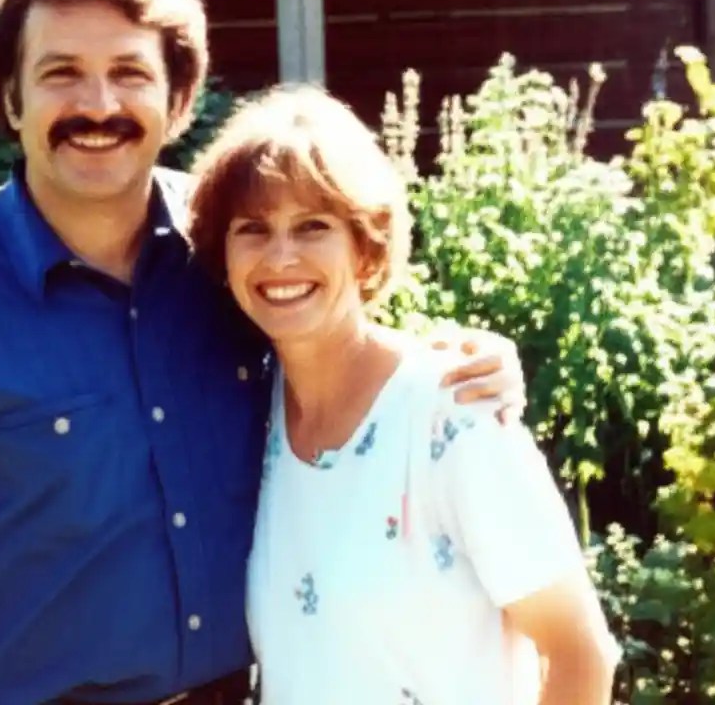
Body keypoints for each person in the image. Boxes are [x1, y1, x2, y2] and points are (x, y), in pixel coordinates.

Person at [0, 0, 528, 703]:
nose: (98, 105)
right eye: (60, 73)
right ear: (11, 102)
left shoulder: (233, 247)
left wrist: (455, 363)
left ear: (180, 101)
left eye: (131, 73)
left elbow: (340, 343)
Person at [186, 85, 621, 705]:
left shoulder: (451, 411)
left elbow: (580, 652)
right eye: (253, 229)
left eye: (313, 226)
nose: (281, 256)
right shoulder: (251, 410)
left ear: (366, 249)